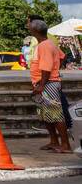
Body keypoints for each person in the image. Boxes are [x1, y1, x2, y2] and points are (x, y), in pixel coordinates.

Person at [27, 19, 70, 153]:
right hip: (44, 83)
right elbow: (62, 56)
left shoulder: (45, 45)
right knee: (46, 115)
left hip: (48, 84)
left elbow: (46, 68)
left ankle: (65, 144)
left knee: (55, 114)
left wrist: (42, 85)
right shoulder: (47, 44)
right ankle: (53, 141)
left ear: (35, 31)